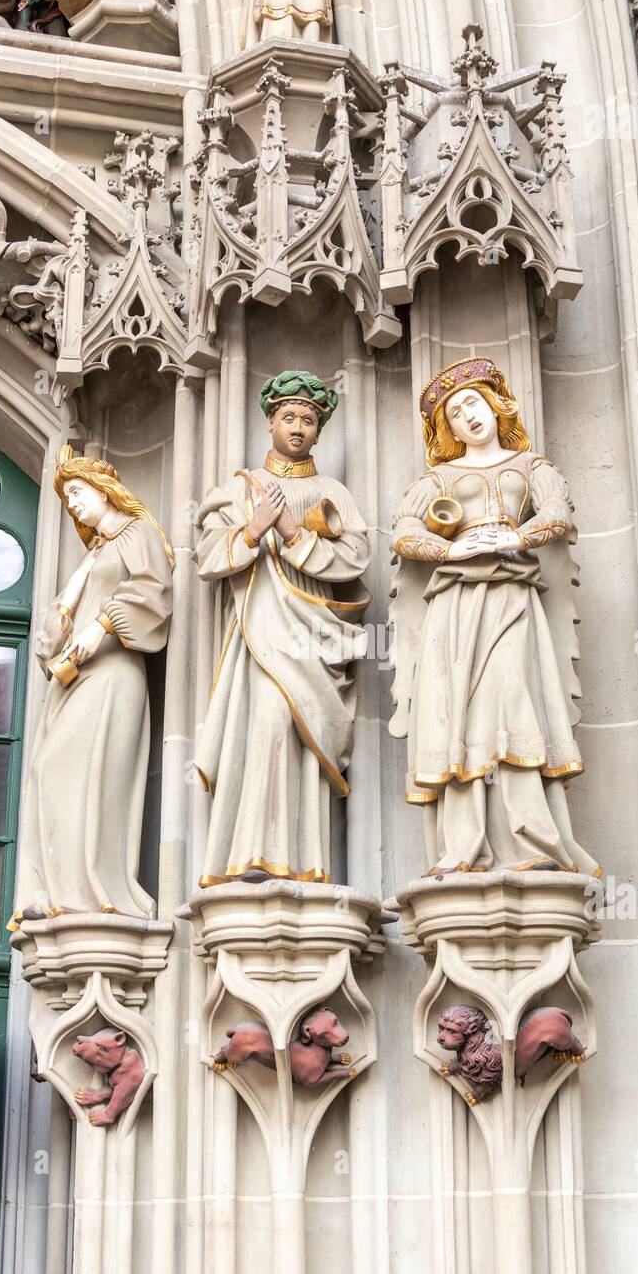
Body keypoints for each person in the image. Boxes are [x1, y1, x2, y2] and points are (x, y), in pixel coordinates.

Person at [389, 356, 598, 877]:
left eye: (473, 403)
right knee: (455, 710)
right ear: (449, 429)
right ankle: (463, 847)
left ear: (494, 404)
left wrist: (516, 536)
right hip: (455, 607)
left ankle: (531, 840)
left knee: (512, 700)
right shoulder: (438, 478)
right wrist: (451, 552)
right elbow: (404, 534)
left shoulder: (531, 467)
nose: (468, 416)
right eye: (456, 413)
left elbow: (557, 513)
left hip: (511, 596)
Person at [193, 368, 370, 887]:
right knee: (267, 722)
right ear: (270, 424)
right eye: (288, 417)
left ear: (319, 432)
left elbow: (355, 557)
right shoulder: (241, 487)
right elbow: (207, 558)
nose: (298, 427)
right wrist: (252, 530)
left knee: (301, 732)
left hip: (312, 632)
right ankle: (252, 852)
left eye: (309, 420)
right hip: (261, 631)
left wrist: (293, 535)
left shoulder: (331, 490)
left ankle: (303, 860)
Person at [10, 445, 173, 928]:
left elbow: (153, 593)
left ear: (106, 492)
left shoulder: (138, 534)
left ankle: (95, 894)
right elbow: (49, 636)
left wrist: (100, 626)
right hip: (74, 678)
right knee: (45, 770)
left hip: (113, 672)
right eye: (67, 499)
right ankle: (55, 892)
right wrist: (73, 598)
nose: (73, 504)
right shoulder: (96, 553)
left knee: (83, 771)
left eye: (79, 492)